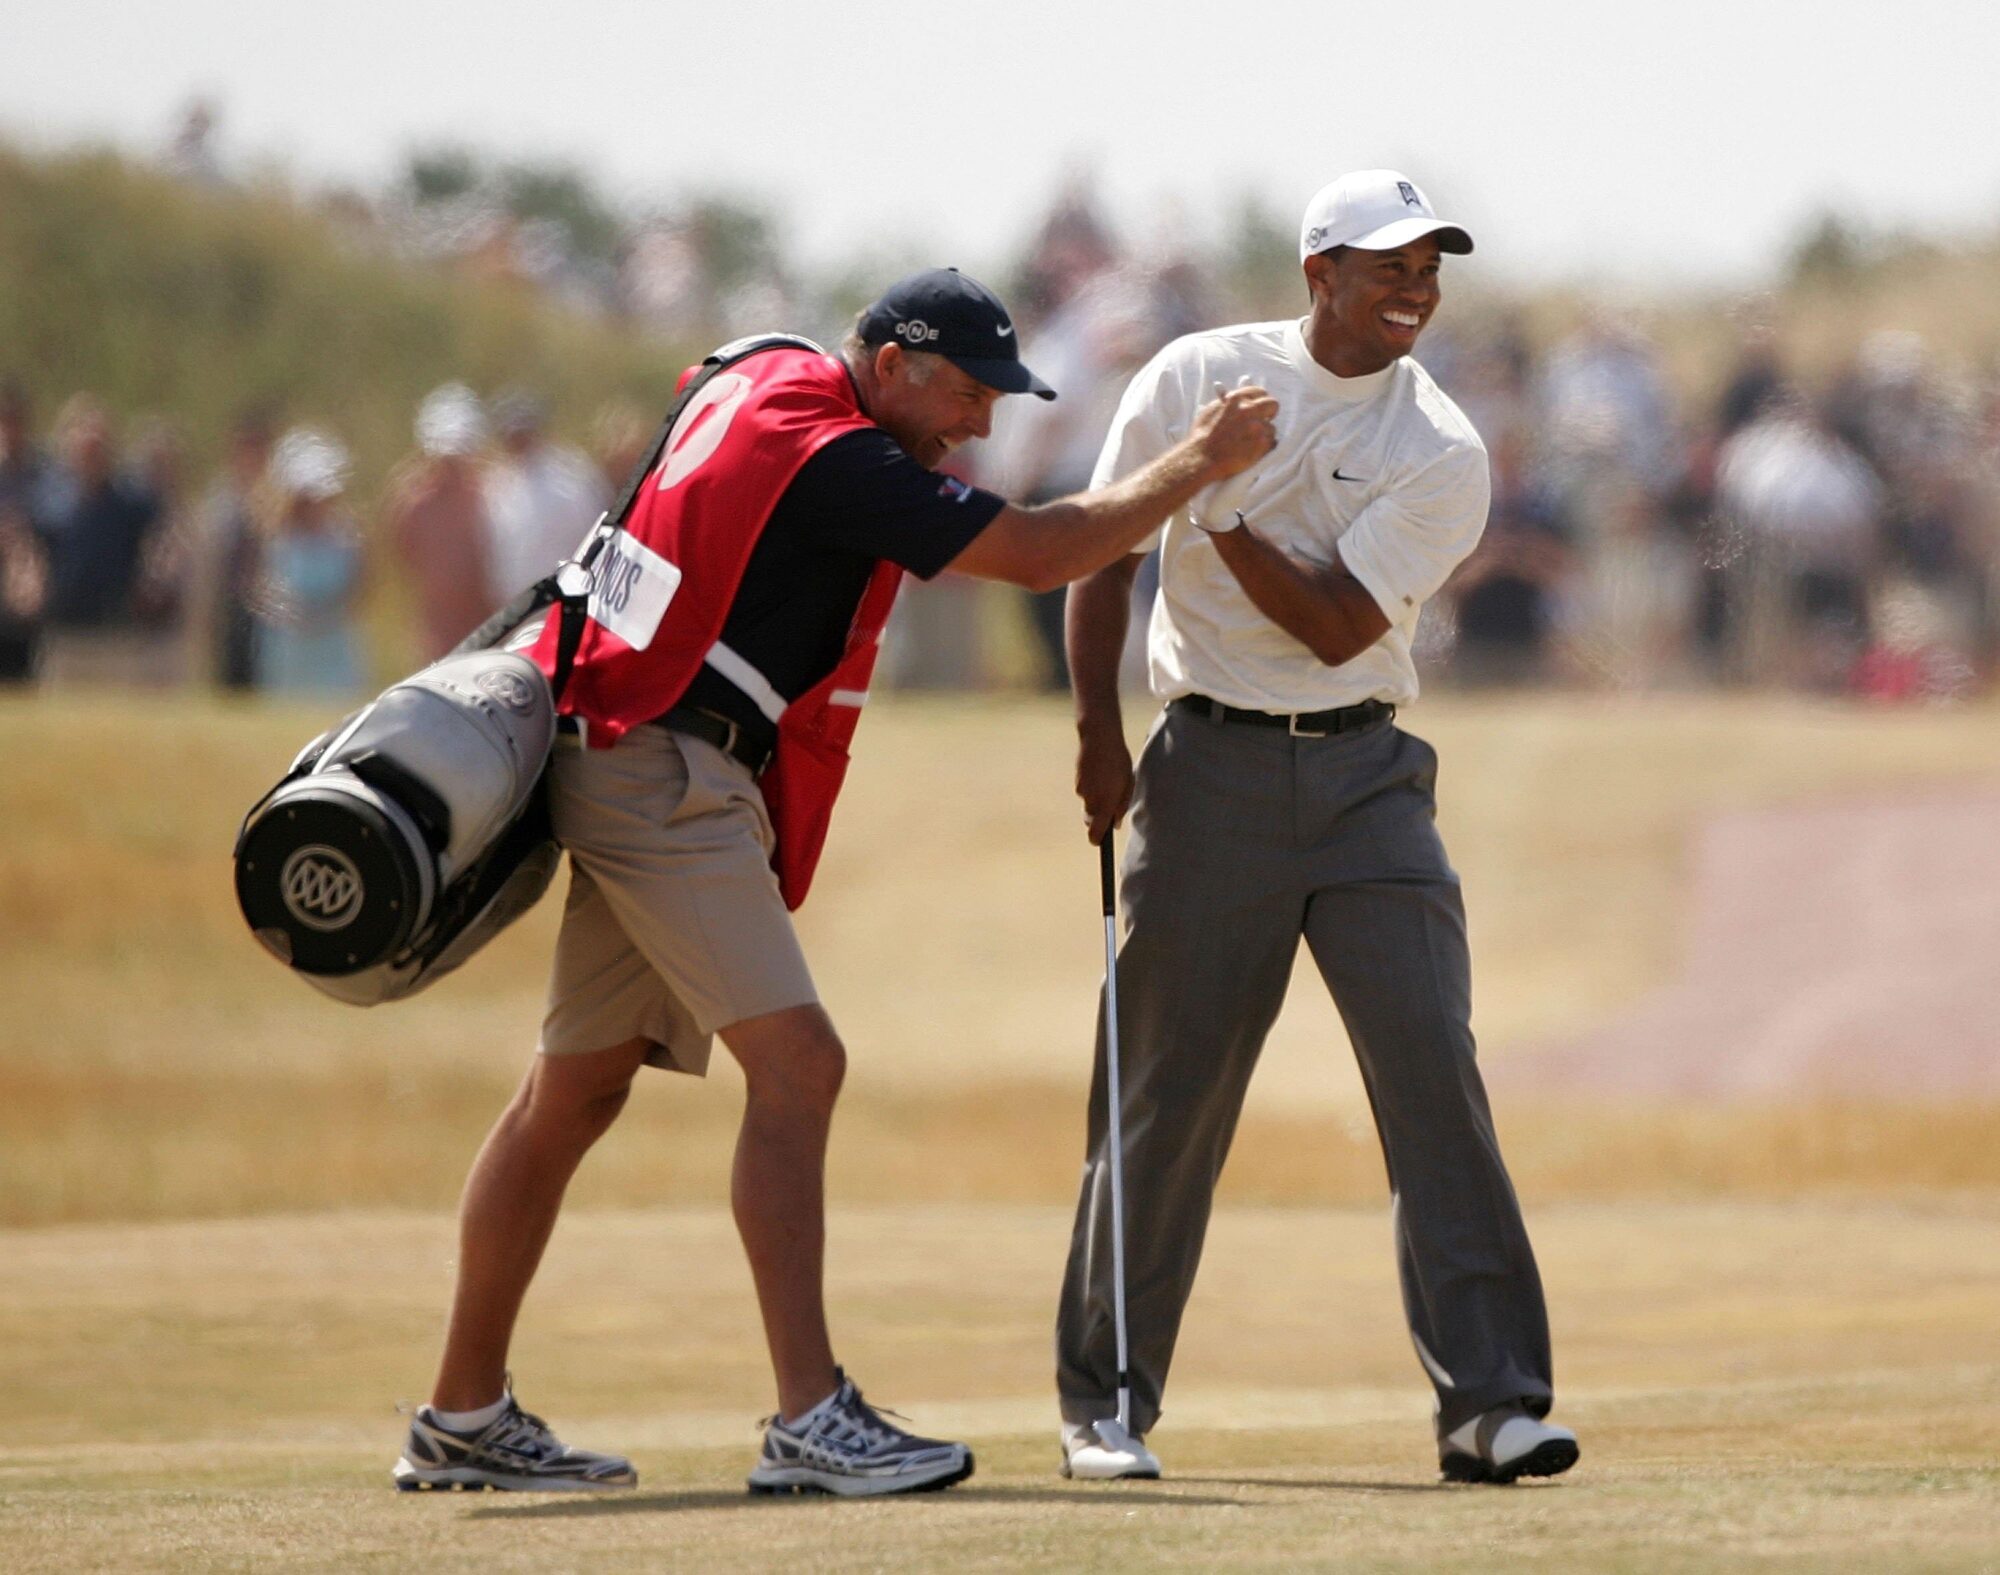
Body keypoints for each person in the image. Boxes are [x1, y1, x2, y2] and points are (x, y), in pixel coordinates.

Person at [392, 268, 1278, 1497]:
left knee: (573, 1094)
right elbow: (1035, 554)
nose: (975, 422)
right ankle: (809, 1417)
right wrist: (1195, 460)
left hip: (624, 735)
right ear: (894, 361)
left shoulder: (755, 371)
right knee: (800, 1065)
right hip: (662, 763)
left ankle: (460, 1415)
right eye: (965, 393)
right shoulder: (834, 449)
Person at [1052, 173, 1578, 1486]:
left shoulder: (1440, 445)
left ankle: (1491, 1403)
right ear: (1318, 272)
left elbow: (1340, 624)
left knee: (1429, 1065)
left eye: (1430, 267)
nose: (1416, 287)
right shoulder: (1195, 377)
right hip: (1205, 769)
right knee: (1164, 1090)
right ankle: (1105, 1402)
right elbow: (1101, 553)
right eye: (1388, 264)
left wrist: (1219, 508)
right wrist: (1096, 734)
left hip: (1368, 782)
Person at [386, 384, 498, 662]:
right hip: (437, 626)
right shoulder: (415, 503)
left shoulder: (490, 495)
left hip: (484, 619)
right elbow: (404, 555)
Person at [253, 428, 367, 695]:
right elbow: (264, 591)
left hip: (334, 646)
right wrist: (294, 614)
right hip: (289, 650)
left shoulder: (346, 537)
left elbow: (359, 590)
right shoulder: (279, 539)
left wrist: (327, 614)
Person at [482, 387, 608, 601]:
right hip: (515, 602)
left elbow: (595, 525)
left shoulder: (570, 472)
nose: (517, 439)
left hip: (567, 592)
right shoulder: (496, 483)